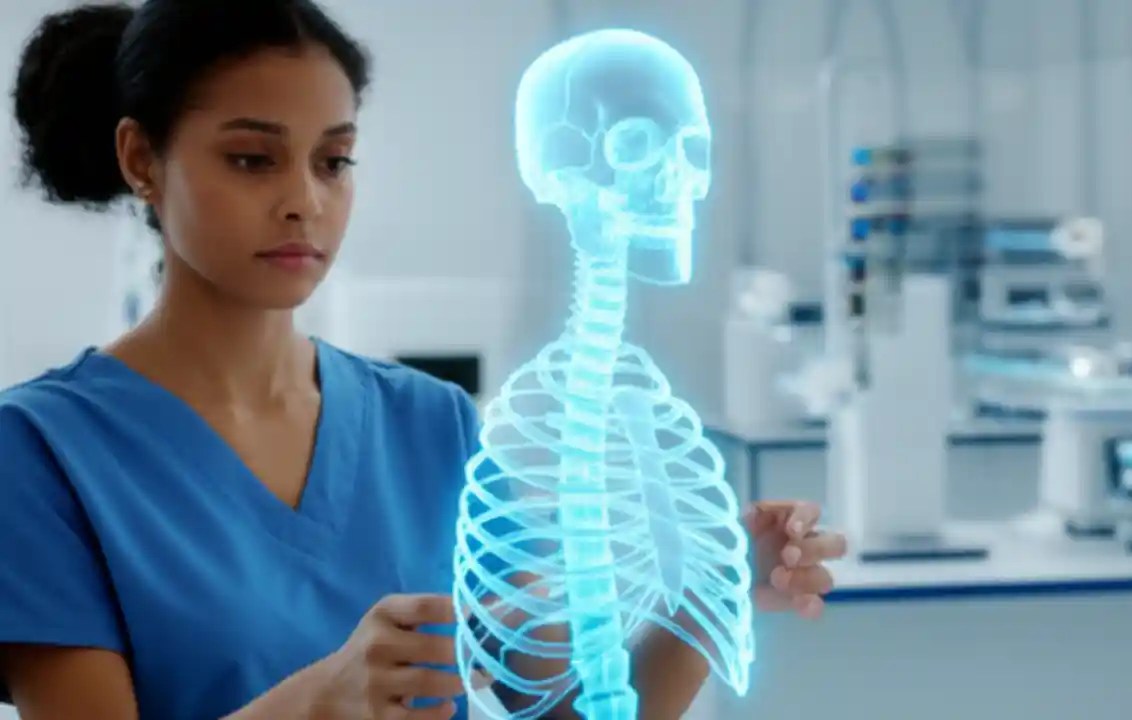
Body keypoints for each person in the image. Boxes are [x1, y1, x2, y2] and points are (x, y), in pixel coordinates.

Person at [0, 2, 849, 719]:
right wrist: (315, 703)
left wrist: (713, 587)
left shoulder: (427, 423)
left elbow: (559, 712)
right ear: (142, 160)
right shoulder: (41, 453)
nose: (305, 201)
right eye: (252, 159)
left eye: (333, 162)